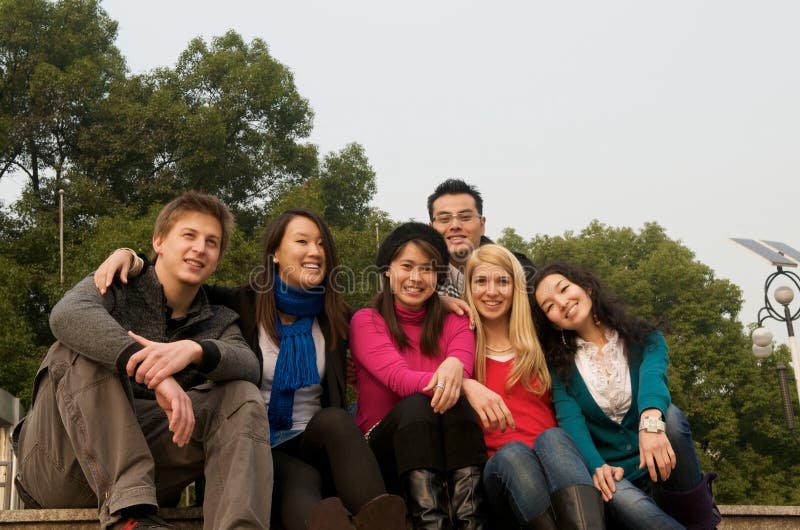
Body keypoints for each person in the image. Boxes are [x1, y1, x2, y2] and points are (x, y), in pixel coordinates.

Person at [91, 208, 406, 530]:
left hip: (314, 442)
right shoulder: (241, 303)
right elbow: (172, 277)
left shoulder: (336, 315)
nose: (315, 251)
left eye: (322, 244)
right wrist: (131, 257)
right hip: (254, 444)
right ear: (274, 254)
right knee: (299, 476)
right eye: (302, 241)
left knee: (336, 420)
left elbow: (400, 326)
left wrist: (445, 305)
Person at [11, 192, 272, 529]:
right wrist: (157, 374)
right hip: (60, 466)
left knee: (241, 394)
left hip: (153, 472)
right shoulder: (117, 283)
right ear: (159, 241)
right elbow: (67, 315)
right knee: (77, 345)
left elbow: (248, 365)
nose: (199, 248)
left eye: (211, 242)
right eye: (189, 236)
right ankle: (129, 514)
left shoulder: (219, 320)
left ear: (218, 258)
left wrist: (195, 350)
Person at [531, 262, 721, 530]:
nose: (561, 303)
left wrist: (651, 424)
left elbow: (654, 379)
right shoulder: (560, 367)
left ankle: (699, 518)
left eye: (564, 289)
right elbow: (570, 419)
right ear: (551, 321)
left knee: (673, 418)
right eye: (549, 306)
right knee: (615, 490)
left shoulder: (644, 337)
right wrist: (598, 466)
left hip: (667, 471)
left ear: (586, 287)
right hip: (620, 481)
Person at [349, 222, 489, 529]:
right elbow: (400, 379)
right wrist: (463, 382)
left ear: (438, 276)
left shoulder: (455, 319)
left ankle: (470, 523)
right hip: (385, 451)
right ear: (388, 270)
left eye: (426, 269)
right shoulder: (367, 321)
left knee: (453, 404)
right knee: (419, 403)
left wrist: (459, 377)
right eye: (407, 266)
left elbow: (461, 368)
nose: (415, 278)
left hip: (444, 447)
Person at [462, 245, 605, 529]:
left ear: (515, 288)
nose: (492, 291)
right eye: (481, 281)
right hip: (503, 475)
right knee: (515, 454)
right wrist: (465, 383)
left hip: (557, 467)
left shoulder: (542, 343)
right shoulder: (461, 347)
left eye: (502, 282)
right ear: (468, 288)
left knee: (552, 437)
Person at [427, 178, 535, 298]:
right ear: (431, 229)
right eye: (444, 219)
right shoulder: (418, 279)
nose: (455, 226)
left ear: (482, 224)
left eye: (465, 217)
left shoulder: (520, 273)